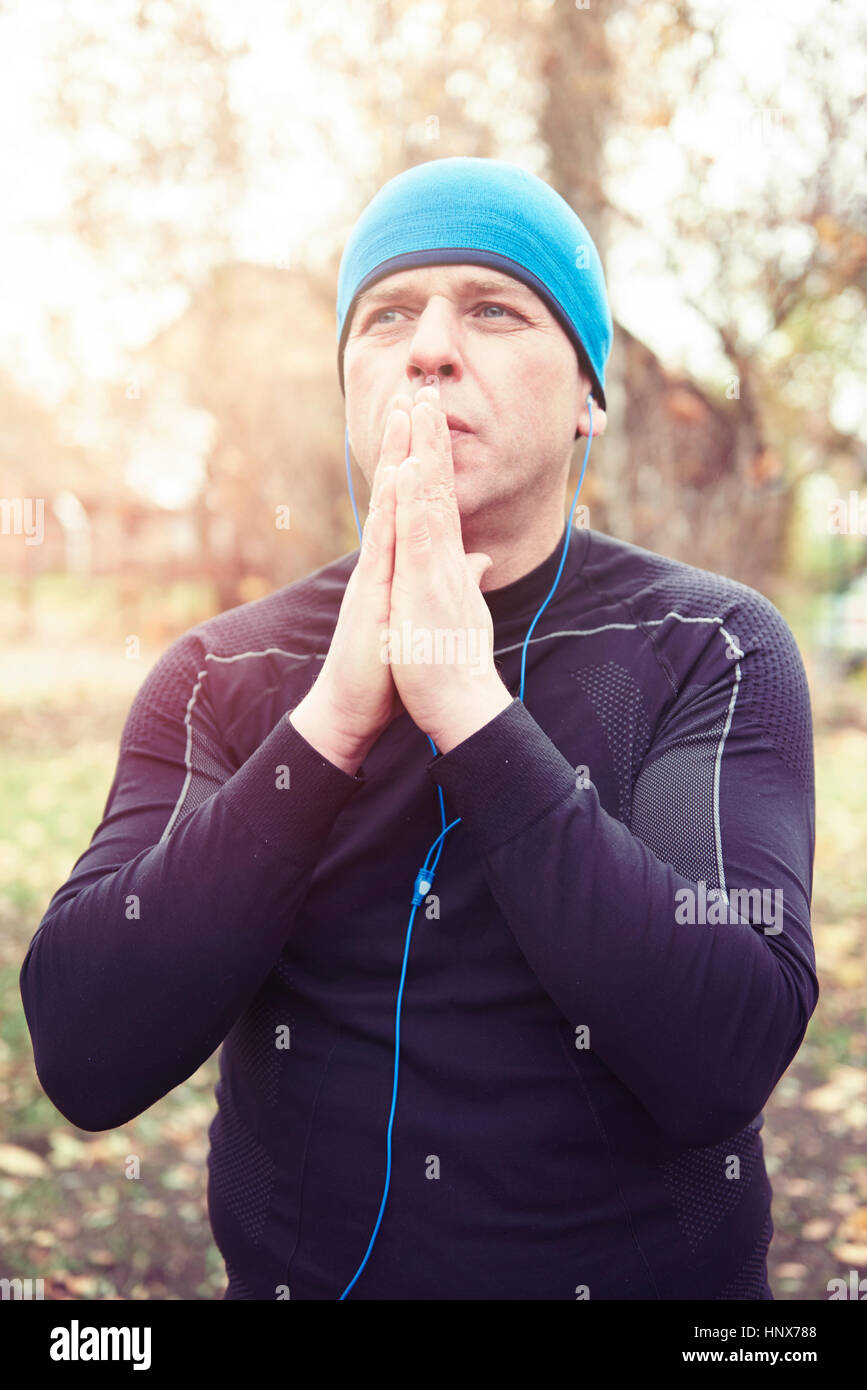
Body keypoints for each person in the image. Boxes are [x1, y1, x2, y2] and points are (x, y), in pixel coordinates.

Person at [20, 157, 818, 1300]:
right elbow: (88, 1054)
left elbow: (722, 1054)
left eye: (494, 308)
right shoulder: (224, 676)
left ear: (590, 392)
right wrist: (335, 719)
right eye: (389, 314)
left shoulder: (713, 645)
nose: (429, 347)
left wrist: (468, 708)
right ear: (351, 384)